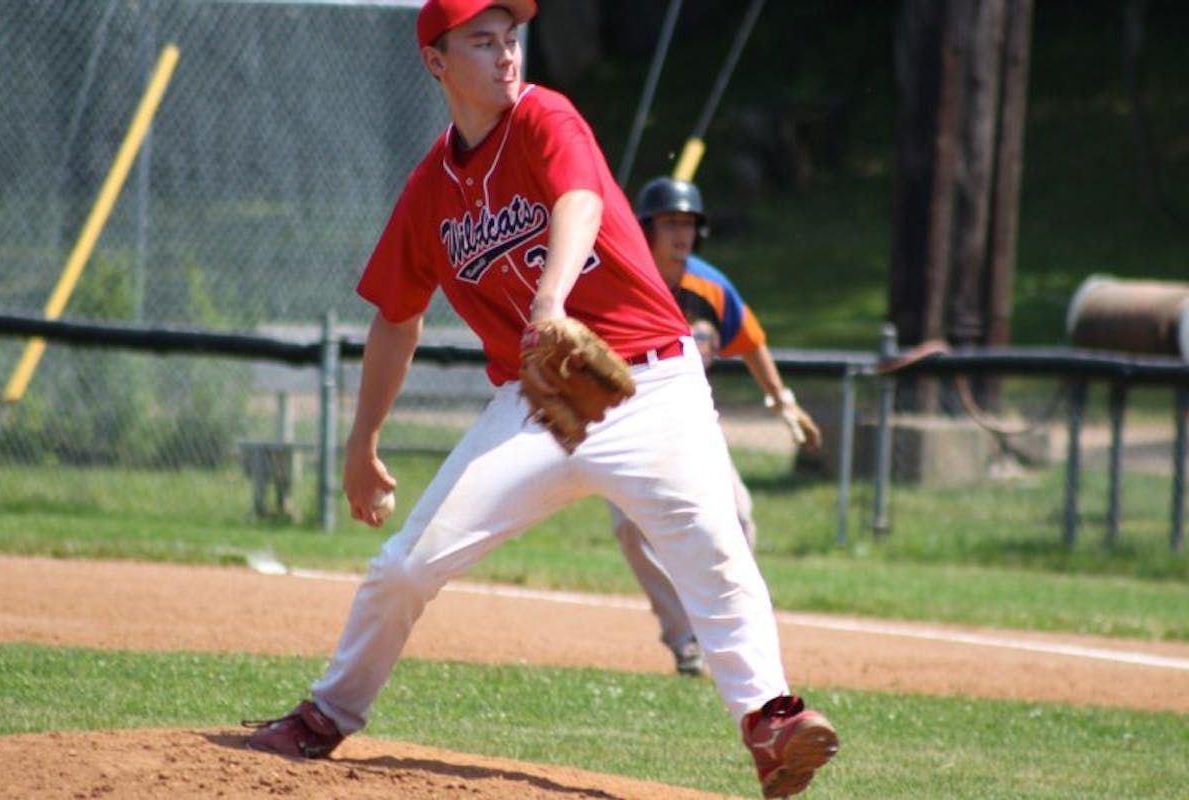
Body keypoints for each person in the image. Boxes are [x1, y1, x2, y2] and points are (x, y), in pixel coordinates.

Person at [243, 2, 838, 796]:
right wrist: (363, 442)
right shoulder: (430, 192)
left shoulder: (544, 118)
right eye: (482, 41)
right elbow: (396, 317)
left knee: (716, 550)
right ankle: (325, 716)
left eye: (511, 37)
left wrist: (550, 302)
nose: (505, 54)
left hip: (653, 383)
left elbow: (580, 205)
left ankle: (771, 720)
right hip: (540, 403)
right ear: (437, 62)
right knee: (407, 567)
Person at [609, 176, 822, 678]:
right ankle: (684, 638)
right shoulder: (622, 281)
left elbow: (749, 340)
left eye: (689, 223)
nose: (681, 233)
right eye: (670, 223)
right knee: (629, 526)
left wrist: (782, 400)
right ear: (647, 229)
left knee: (739, 514)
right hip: (626, 424)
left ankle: (730, 625)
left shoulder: (709, 285)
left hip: (693, 424)